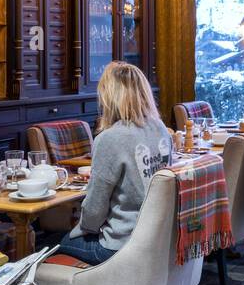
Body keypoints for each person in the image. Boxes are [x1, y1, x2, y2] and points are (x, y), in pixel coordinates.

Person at [55, 62, 172, 265]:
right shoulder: (160, 128)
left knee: (52, 245)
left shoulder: (110, 138)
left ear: (109, 97)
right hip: (159, 236)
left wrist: (83, 228)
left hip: (121, 244)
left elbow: (94, 210)